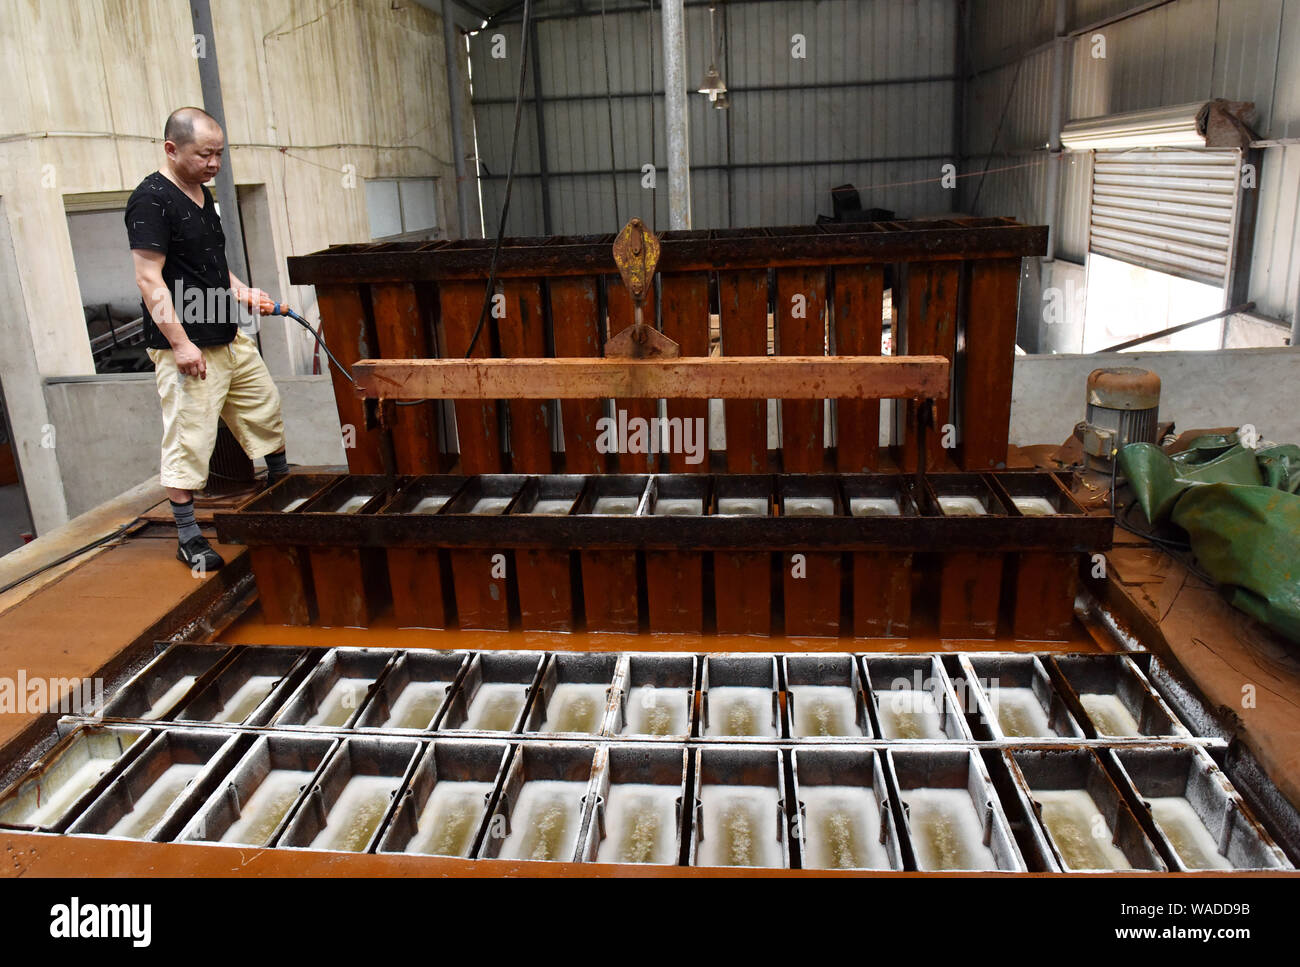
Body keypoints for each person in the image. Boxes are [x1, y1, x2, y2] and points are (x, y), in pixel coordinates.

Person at [127, 107, 289, 572]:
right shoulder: (151, 200)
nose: (214, 162)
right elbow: (147, 279)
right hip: (189, 344)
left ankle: (282, 494)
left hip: (227, 333)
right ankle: (188, 536)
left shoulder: (203, 192)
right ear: (172, 149)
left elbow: (213, 261)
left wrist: (241, 292)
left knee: (265, 408)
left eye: (219, 153)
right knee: (190, 439)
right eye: (205, 154)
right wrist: (179, 343)